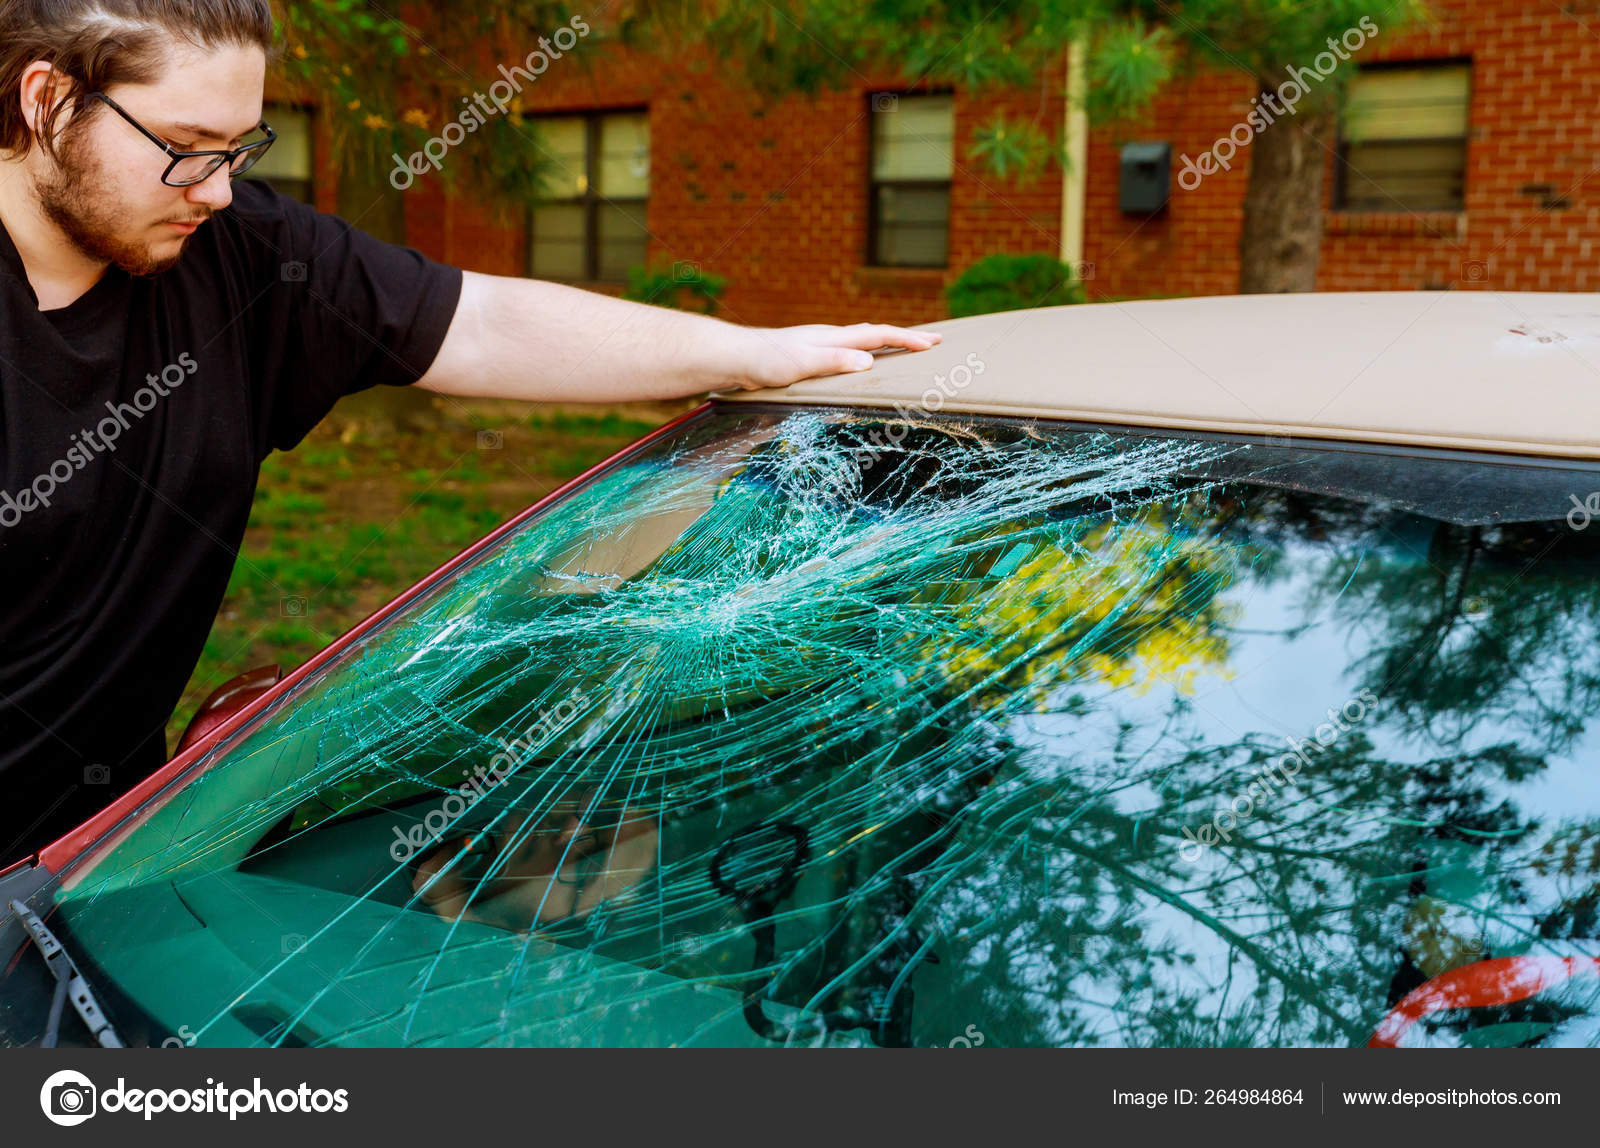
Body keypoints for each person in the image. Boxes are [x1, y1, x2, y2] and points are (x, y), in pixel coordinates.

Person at [0, 0, 941, 865]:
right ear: (46, 102)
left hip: (93, 871)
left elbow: (479, 322)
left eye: (238, 149)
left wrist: (745, 352)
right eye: (186, 145)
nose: (214, 189)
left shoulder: (240, 256)